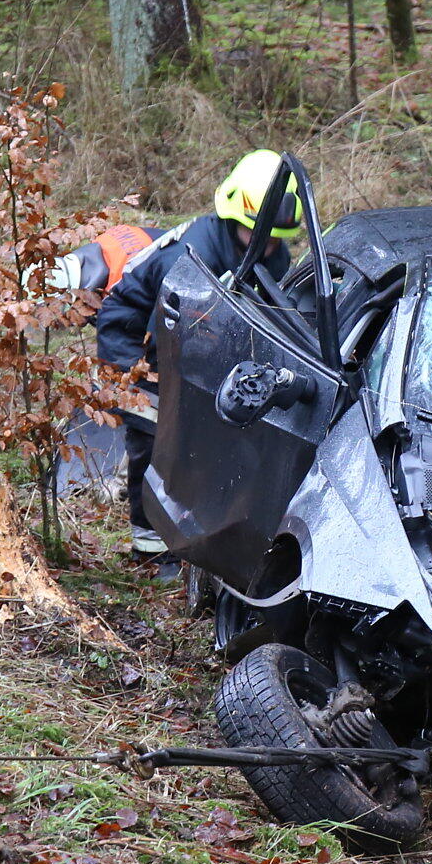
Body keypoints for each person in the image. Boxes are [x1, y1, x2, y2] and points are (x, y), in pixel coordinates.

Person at [95, 151, 300, 564]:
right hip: (140, 347)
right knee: (158, 443)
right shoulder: (191, 260)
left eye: (277, 237)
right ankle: (151, 550)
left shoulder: (271, 250)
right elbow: (173, 334)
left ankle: (204, 535)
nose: (270, 245)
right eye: (261, 234)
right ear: (233, 217)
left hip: (203, 346)